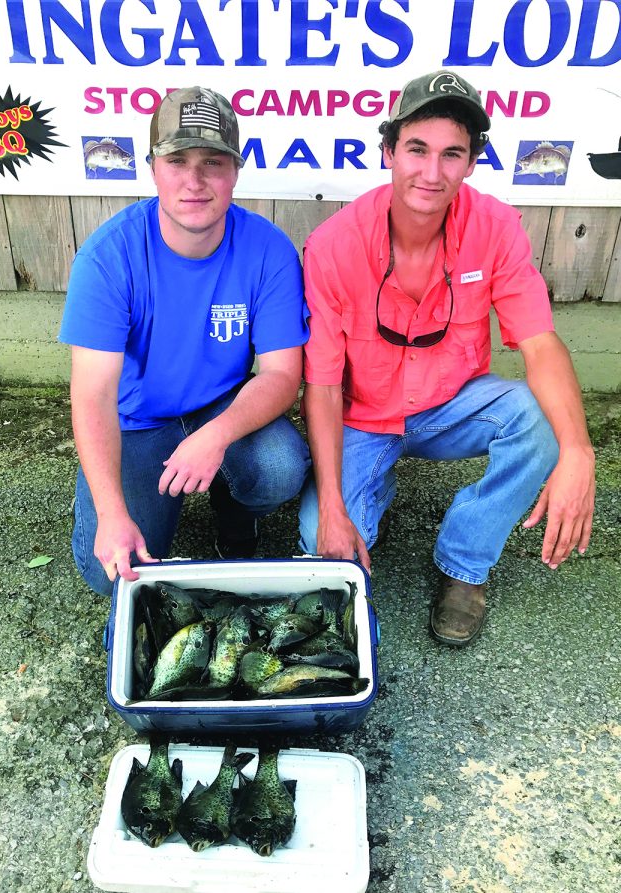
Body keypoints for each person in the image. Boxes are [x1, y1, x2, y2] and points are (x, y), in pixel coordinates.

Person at [299, 69, 595, 646]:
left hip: (449, 405)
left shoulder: (496, 226)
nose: (432, 173)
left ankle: (465, 563)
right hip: (363, 418)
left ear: (472, 161)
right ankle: (364, 497)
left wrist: (579, 452)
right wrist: (335, 506)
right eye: (416, 149)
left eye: (452, 154)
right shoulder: (335, 244)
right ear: (388, 151)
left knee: (542, 417)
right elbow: (324, 385)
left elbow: (540, 342)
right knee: (320, 543)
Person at [59, 86, 310, 596]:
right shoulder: (108, 257)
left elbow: (283, 375)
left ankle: (234, 515)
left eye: (213, 162)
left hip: (219, 406)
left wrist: (215, 436)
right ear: (153, 166)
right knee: (110, 573)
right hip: (135, 421)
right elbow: (93, 395)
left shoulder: (269, 250)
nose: (194, 181)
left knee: (280, 467)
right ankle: (107, 493)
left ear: (235, 171)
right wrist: (111, 512)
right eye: (177, 160)